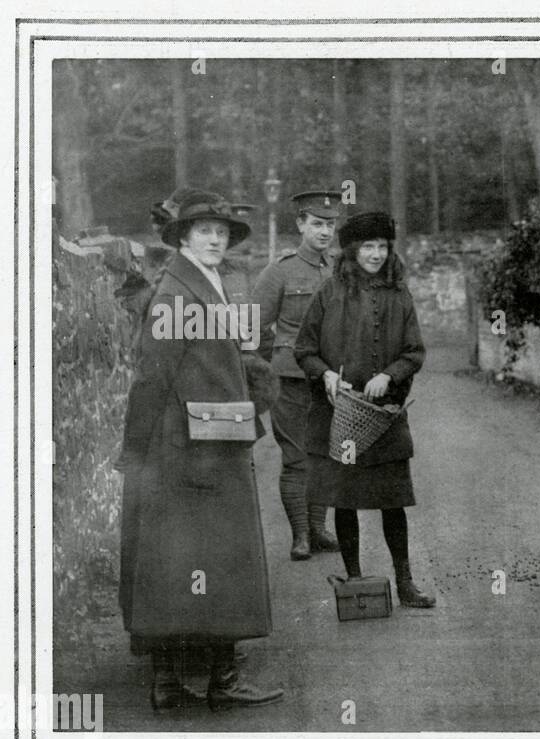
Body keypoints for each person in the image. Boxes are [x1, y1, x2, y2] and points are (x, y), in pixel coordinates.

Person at [120, 190, 284, 710]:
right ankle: (207, 680)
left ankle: (178, 681)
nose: (214, 239)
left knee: (184, 559)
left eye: (221, 232)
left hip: (211, 437)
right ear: (183, 238)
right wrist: (136, 450)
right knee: (207, 556)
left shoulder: (204, 281)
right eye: (204, 231)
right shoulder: (177, 291)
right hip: (191, 446)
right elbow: (151, 376)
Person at [294, 210, 436, 608]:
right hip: (338, 417)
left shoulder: (399, 293)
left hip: (384, 416)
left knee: (393, 501)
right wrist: (324, 375)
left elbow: (414, 352)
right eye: (368, 246)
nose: (375, 254)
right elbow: (303, 349)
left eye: (382, 246)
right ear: (352, 250)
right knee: (345, 500)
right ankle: (356, 585)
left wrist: (390, 376)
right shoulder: (329, 292)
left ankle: (405, 583)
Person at [254, 190, 344, 560]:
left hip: (332, 381)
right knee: (296, 457)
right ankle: (300, 536)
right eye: (318, 224)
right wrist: (275, 362)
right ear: (301, 224)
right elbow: (254, 325)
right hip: (291, 380)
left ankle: (320, 529)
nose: (325, 232)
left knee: (323, 455)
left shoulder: (339, 270)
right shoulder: (280, 271)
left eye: (331, 224)